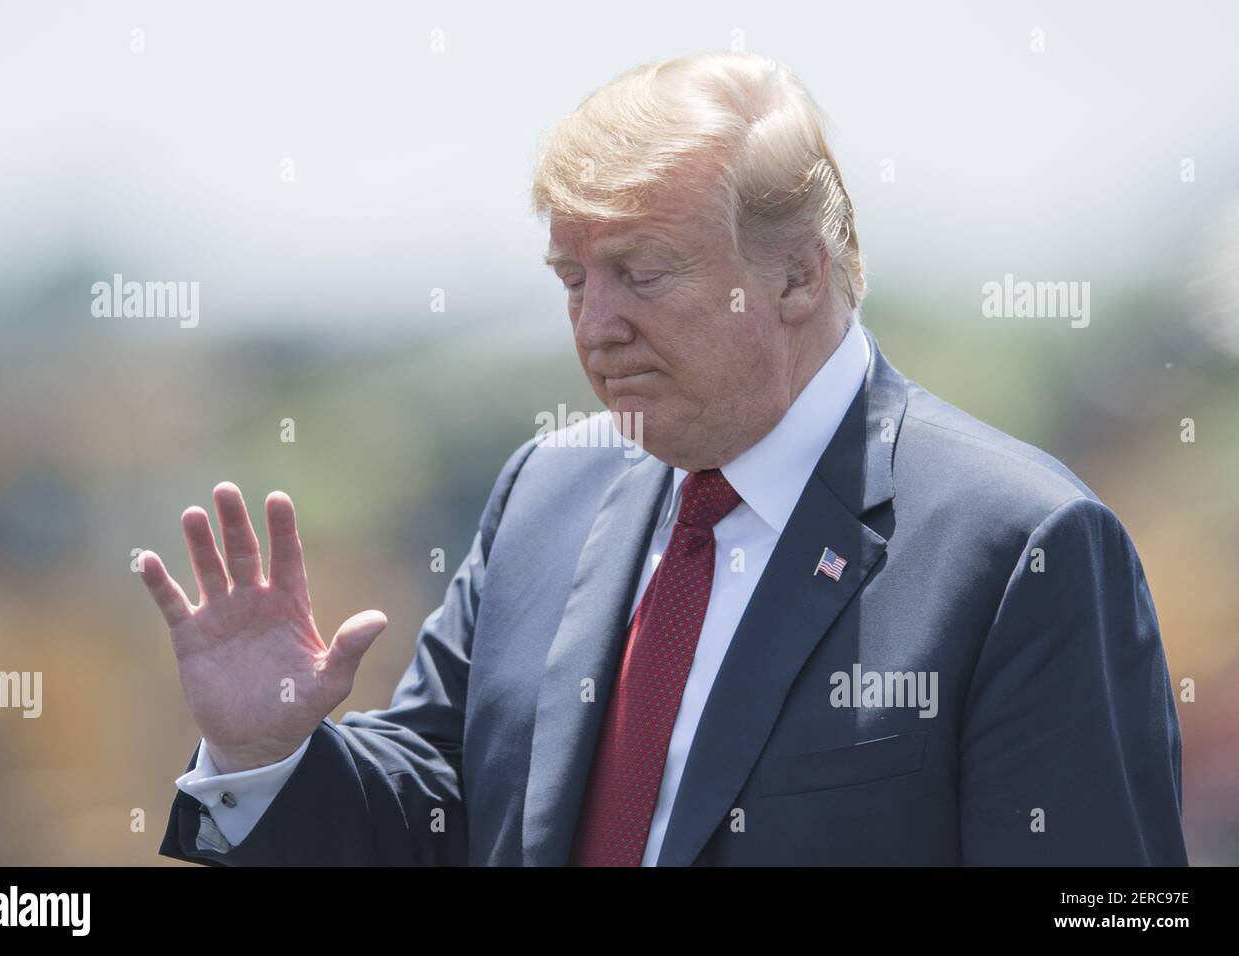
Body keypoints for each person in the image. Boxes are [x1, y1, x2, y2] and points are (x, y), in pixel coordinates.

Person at [141, 52, 1188, 866]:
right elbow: (436, 817)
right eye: (570, 279)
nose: (595, 325)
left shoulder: (1019, 548)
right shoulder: (545, 493)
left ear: (796, 276)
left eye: (641, 271)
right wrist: (264, 751)